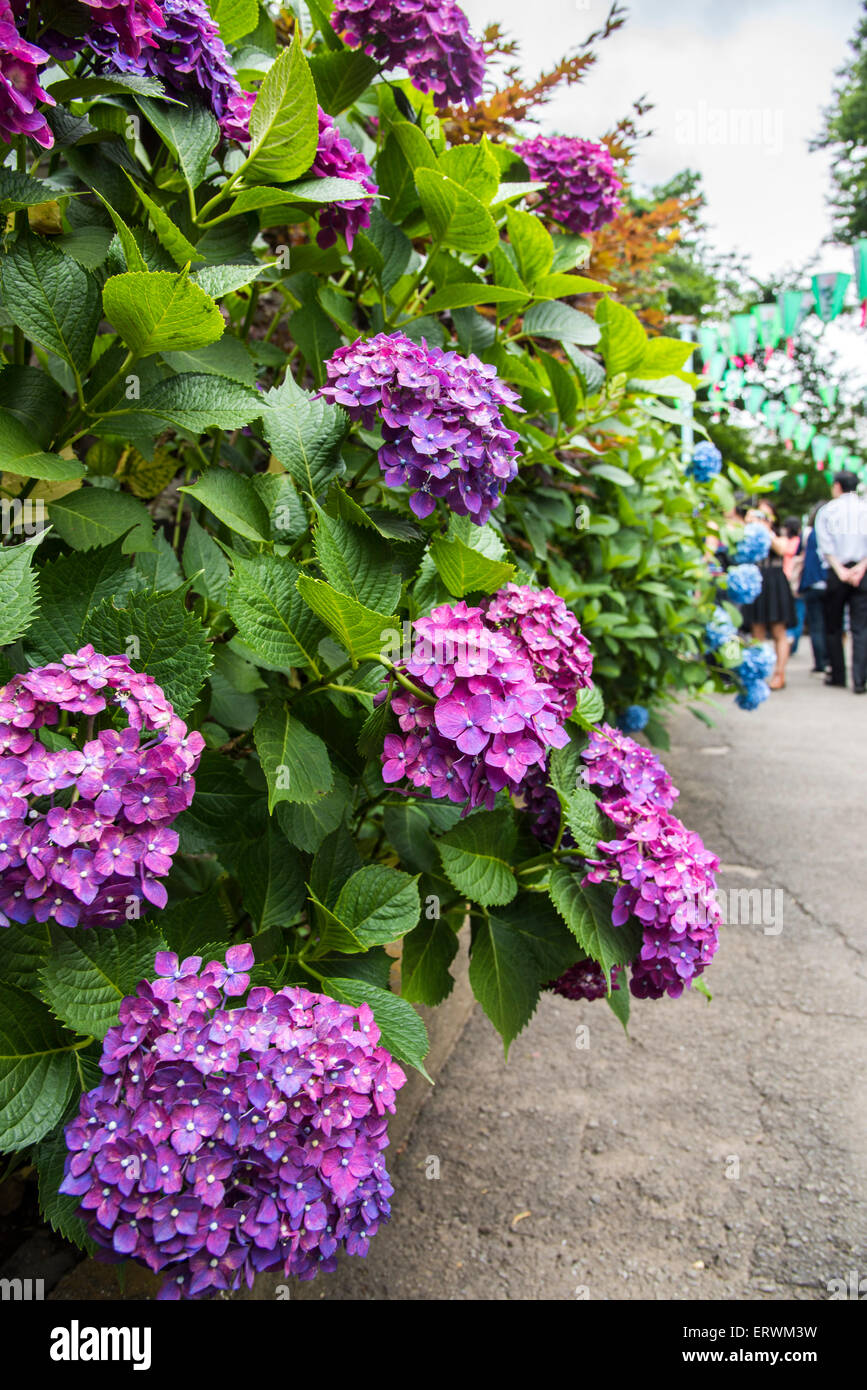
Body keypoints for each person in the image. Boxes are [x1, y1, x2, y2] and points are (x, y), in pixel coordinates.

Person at [815, 471, 867, 693]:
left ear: (837, 486)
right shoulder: (865, 508)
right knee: (861, 628)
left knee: (834, 626)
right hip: (862, 572)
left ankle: (838, 674)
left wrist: (841, 571)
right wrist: (860, 568)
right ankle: (859, 679)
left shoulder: (828, 510)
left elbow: (825, 547)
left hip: (837, 572)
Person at [738, 505, 796, 690]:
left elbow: (782, 549)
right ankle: (757, 673)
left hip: (775, 583)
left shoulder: (778, 533)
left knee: (779, 631)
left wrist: (766, 529)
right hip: (756, 580)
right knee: (757, 631)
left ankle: (780, 673)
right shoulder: (748, 531)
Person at [796, 503, 829, 675]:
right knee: (831, 625)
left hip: (812, 582)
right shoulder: (833, 532)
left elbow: (799, 556)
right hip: (831, 581)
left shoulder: (808, 533)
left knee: (816, 625)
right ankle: (831, 661)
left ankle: (820, 665)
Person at [781, 516, 803, 652]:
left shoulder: (783, 543)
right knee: (799, 612)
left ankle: (789, 635)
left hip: (784, 580)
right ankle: (793, 642)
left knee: (786, 612)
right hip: (797, 581)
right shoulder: (799, 543)